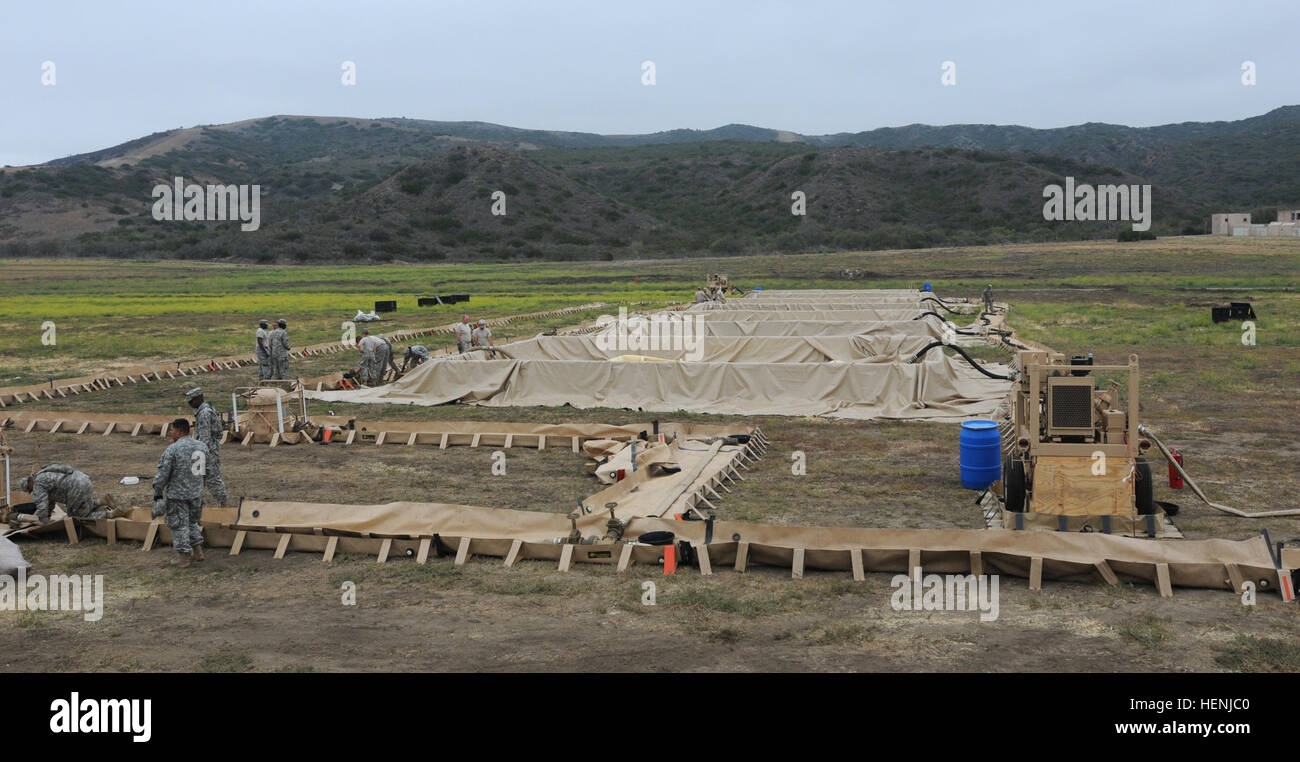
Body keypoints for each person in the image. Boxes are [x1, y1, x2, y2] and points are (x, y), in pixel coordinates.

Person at [152, 418, 208, 567]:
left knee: (179, 525)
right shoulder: (202, 446)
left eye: (171, 430)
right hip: (196, 492)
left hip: (178, 494)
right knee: (192, 522)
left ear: (179, 431)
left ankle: (183, 557)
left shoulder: (173, 449)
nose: (170, 432)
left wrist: (158, 491)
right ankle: (198, 551)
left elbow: (163, 473)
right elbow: (207, 470)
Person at [23, 465, 127, 523]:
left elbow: (42, 505)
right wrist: (47, 515)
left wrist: (42, 521)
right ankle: (101, 501)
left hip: (75, 487)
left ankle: (110, 514)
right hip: (83, 478)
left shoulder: (37, 485)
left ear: (29, 484)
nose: (32, 492)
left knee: (76, 517)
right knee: (83, 506)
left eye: (30, 490)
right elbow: (49, 503)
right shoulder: (44, 472)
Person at [186, 387, 228, 506]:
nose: (190, 404)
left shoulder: (204, 413)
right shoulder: (205, 410)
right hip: (204, 450)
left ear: (198, 398)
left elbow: (204, 438)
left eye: (191, 401)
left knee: (212, 479)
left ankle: (223, 503)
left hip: (206, 451)